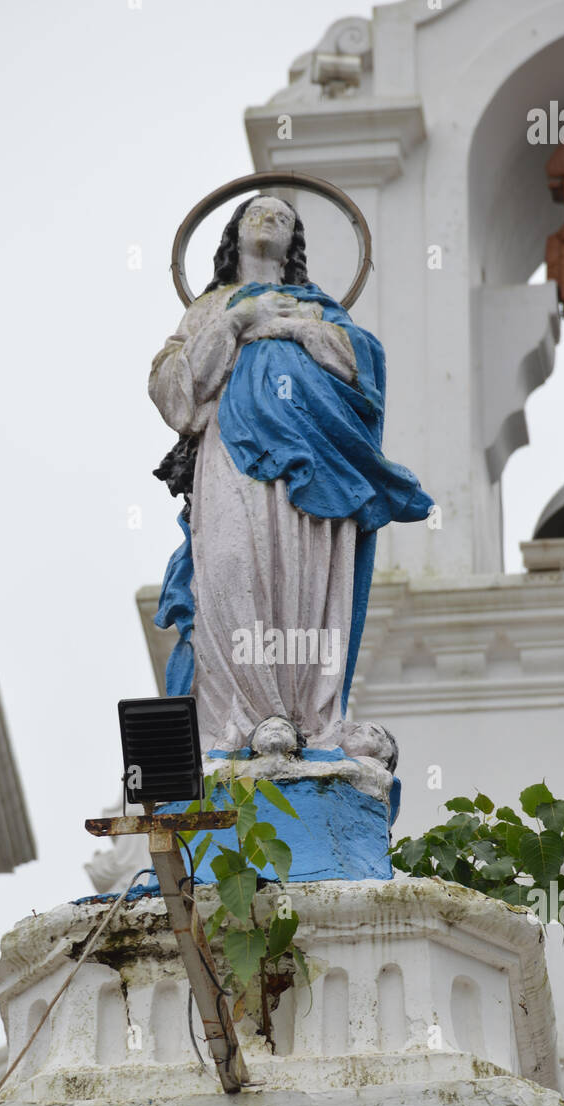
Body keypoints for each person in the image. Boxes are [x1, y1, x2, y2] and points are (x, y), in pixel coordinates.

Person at [149, 194, 432, 755]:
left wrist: (300, 330)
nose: (270, 219)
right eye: (257, 212)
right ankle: (249, 715)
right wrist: (235, 323)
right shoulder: (209, 309)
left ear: (295, 241)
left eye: (283, 216)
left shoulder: (318, 308)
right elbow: (173, 392)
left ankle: (310, 717)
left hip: (314, 458)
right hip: (233, 454)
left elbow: (363, 365)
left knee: (303, 574)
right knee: (233, 563)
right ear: (233, 232)